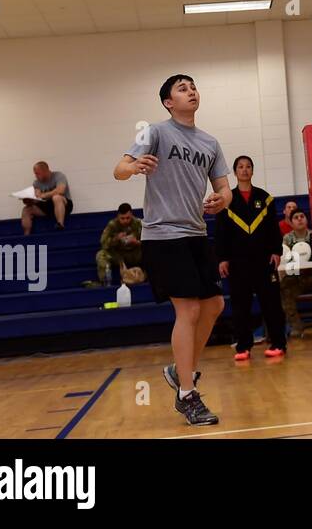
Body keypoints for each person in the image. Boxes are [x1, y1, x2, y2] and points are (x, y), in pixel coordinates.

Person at [114, 74, 231, 426]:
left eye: (193, 86)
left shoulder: (210, 142)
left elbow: (224, 188)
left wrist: (221, 200)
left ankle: (180, 370)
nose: (191, 91)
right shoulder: (153, 132)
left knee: (214, 305)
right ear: (168, 102)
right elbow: (119, 169)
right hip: (163, 235)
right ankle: (187, 393)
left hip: (196, 233)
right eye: (182, 88)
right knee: (189, 309)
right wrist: (134, 166)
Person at [216, 155, 287, 360]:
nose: (245, 170)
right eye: (240, 166)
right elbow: (221, 232)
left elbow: (273, 228)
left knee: (272, 304)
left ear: (252, 171)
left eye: (248, 166)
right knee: (240, 306)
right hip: (238, 263)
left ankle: (278, 343)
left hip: (264, 261)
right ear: (235, 172)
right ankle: (243, 347)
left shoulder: (265, 199)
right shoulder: (226, 200)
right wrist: (222, 258)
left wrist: (276, 251)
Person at [280, 207, 312, 339]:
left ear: (306, 219)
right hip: (296, 277)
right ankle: (296, 326)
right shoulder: (287, 239)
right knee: (284, 288)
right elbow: (284, 260)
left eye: (302, 216)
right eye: (296, 218)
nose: (300, 219)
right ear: (291, 222)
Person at [87, 203, 143, 287]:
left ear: (131, 215)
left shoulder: (139, 223)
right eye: (122, 218)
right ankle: (106, 282)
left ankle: (151, 278)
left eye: (128, 218)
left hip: (136, 253)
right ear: (118, 216)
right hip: (119, 255)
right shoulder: (112, 225)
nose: (125, 221)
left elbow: (150, 242)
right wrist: (116, 239)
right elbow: (103, 244)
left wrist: (137, 242)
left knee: (153, 251)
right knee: (101, 254)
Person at [21, 161, 73, 234]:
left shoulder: (59, 176)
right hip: (47, 207)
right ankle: (26, 234)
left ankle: (60, 224)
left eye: (37, 173)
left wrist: (44, 195)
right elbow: (37, 198)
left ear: (45, 171)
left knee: (56, 197)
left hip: (64, 204)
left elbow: (60, 190)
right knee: (26, 209)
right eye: (35, 173)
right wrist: (29, 201)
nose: (36, 176)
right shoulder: (36, 183)